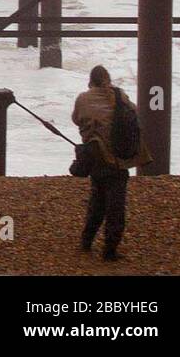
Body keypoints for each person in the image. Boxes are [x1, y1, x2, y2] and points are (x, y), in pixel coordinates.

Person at [72, 65, 151, 261]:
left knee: (97, 200)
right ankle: (110, 249)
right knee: (116, 206)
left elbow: (76, 119)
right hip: (118, 159)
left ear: (90, 81)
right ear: (108, 79)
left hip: (96, 157)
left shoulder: (83, 98)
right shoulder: (120, 96)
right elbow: (134, 115)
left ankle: (86, 241)